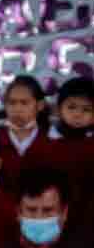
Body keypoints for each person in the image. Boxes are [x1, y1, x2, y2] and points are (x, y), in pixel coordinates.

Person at [46, 77, 94, 212]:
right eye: (71, 107)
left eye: (86, 110)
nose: (77, 114)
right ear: (58, 109)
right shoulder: (45, 143)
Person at [0, 75, 52, 187]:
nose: (17, 109)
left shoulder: (52, 140)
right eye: (12, 103)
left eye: (24, 103)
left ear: (40, 105)